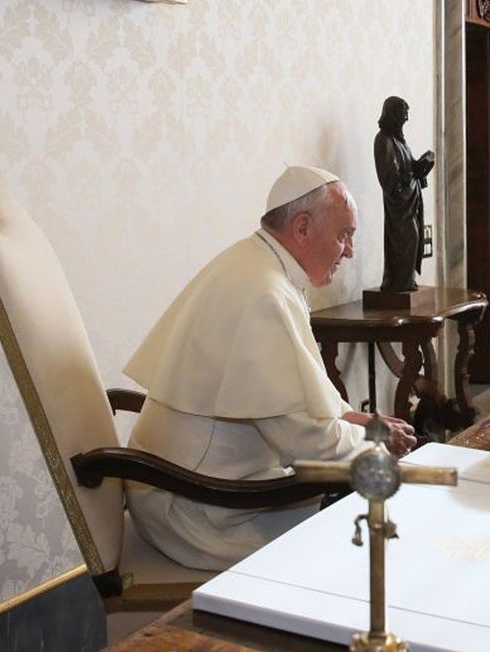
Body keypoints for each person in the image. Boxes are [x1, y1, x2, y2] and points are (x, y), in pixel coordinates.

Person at [122, 165, 418, 570]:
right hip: (202, 510)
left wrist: (364, 423)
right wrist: (379, 446)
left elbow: (298, 399)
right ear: (302, 229)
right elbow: (307, 443)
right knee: (374, 532)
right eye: (344, 235)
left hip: (183, 487)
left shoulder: (256, 265)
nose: (349, 250)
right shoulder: (264, 293)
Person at [375, 96, 435, 292]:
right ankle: (399, 283)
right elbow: (390, 180)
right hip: (400, 208)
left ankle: (405, 281)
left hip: (410, 204)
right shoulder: (383, 140)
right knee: (407, 240)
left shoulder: (399, 141)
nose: (406, 119)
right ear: (393, 114)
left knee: (413, 241)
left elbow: (406, 168)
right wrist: (413, 172)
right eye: (403, 115)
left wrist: (420, 167)